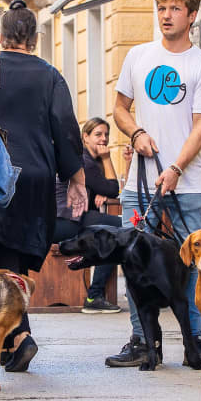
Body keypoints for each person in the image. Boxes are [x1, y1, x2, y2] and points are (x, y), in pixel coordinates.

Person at [105, 0, 201, 369]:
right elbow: (120, 108)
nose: (166, 15)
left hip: (187, 181)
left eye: (174, 9)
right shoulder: (138, 56)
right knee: (134, 260)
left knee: (193, 264)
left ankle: (195, 339)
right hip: (141, 179)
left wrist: (175, 167)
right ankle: (142, 338)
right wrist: (135, 133)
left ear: (191, 15)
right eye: (162, 8)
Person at [0, 0, 86, 372]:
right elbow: (66, 128)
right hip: (39, 176)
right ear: (34, 39)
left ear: (1, 34)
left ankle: (21, 334)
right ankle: (9, 342)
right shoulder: (49, 74)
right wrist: (76, 177)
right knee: (17, 259)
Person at [78, 117, 125, 313]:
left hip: (87, 216)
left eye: (106, 135)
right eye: (98, 134)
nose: (104, 139)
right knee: (123, 231)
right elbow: (114, 188)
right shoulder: (85, 161)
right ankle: (94, 295)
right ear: (85, 137)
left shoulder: (92, 161)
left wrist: (102, 190)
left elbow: (112, 188)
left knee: (120, 230)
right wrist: (107, 159)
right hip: (77, 219)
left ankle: (96, 294)